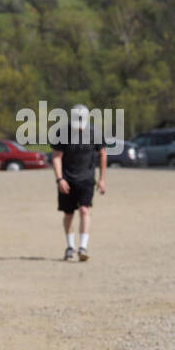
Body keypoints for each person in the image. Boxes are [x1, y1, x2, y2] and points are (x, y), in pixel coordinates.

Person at [52, 104, 107, 261]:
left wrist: (102, 179)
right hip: (67, 179)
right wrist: (59, 179)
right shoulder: (62, 133)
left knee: (84, 210)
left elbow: (102, 154)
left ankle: (83, 247)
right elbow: (56, 157)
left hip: (87, 179)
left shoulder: (95, 133)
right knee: (68, 214)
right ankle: (70, 246)